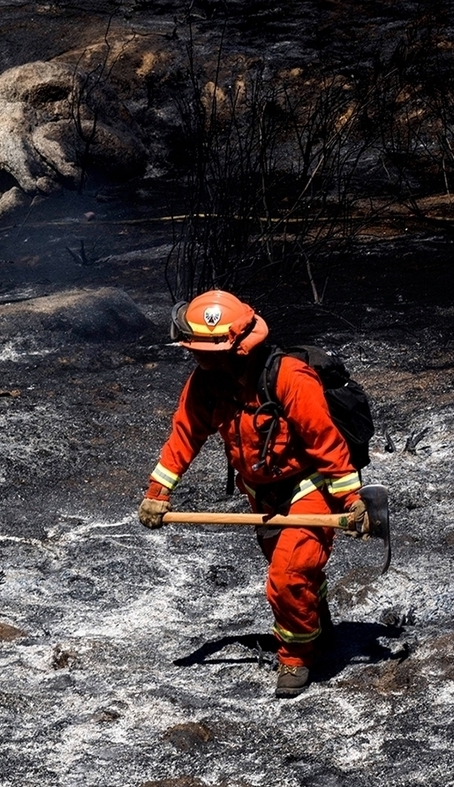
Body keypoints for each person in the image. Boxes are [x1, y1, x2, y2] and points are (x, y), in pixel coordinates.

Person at [137, 290, 366, 698]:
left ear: (240, 348)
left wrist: (352, 500)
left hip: (309, 487)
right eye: (194, 349)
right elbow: (184, 435)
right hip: (260, 495)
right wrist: (158, 492)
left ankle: (297, 657)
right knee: (296, 573)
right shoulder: (206, 383)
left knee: (286, 577)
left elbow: (325, 443)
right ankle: (314, 617)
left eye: (206, 351)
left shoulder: (289, 378)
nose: (197, 357)